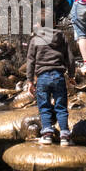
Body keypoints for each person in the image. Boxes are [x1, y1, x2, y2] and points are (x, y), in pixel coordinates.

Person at [25, 11, 75, 145]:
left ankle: (47, 134)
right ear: (53, 23)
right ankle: (65, 135)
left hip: (42, 77)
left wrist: (30, 81)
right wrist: (71, 75)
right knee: (61, 106)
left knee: (44, 106)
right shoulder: (61, 36)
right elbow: (70, 57)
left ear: (38, 25)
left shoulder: (35, 39)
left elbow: (30, 61)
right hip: (58, 76)